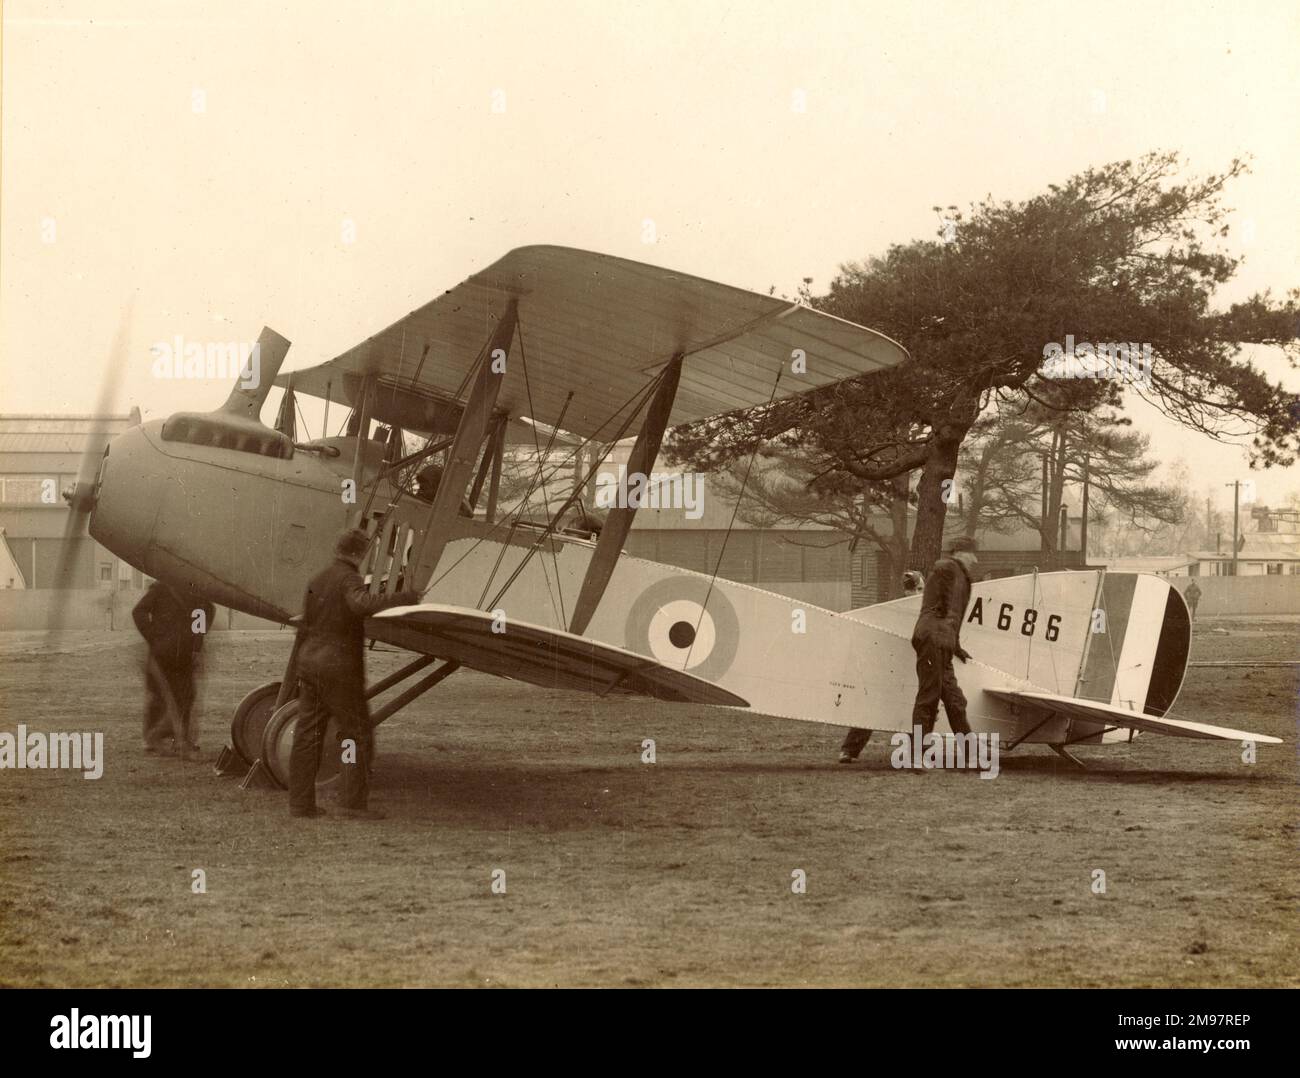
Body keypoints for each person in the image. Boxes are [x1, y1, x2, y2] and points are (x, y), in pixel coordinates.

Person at [289, 528, 419, 820]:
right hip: (338, 668)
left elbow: (306, 622)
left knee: (307, 734)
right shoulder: (349, 578)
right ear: (359, 553)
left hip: (310, 663)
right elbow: (360, 604)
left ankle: (300, 804)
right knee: (357, 734)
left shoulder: (316, 579)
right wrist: (404, 599)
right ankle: (352, 804)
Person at [838, 570, 926, 763]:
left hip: (909, 668)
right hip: (890, 668)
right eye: (918, 589)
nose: (920, 593)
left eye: (922, 589)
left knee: (911, 708)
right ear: (907, 591)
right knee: (873, 707)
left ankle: (915, 750)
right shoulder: (896, 610)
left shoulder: (918, 611)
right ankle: (849, 750)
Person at [909, 537, 977, 765]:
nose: (975, 559)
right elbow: (945, 608)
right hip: (934, 638)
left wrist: (956, 646)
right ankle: (917, 756)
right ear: (959, 552)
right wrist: (942, 628)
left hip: (943, 642)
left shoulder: (960, 577)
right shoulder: (947, 568)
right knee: (929, 697)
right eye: (972, 553)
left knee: (955, 701)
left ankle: (971, 756)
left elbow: (954, 616)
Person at [132, 580, 214, 758]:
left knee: (185, 696)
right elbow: (139, 611)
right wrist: (155, 637)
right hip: (170, 653)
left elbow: (205, 613)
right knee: (163, 696)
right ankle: (157, 739)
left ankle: (175, 739)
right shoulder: (167, 588)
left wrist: (155, 637)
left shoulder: (166, 588)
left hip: (176, 653)